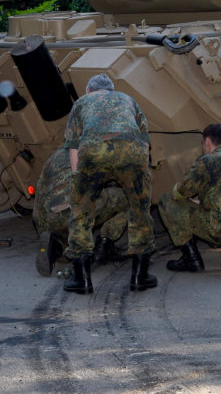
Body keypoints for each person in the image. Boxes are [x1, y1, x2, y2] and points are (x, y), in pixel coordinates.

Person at [63, 73, 155, 294]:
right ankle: (139, 277)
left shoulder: (81, 102)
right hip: (131, 151)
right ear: (112, 91)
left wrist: (79, 181)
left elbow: (73, 144)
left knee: (81, 213)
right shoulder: (128, 100)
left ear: (89, 91)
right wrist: (140, 177)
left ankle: (82, 280)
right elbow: (145, 141)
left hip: (93, 151)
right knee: (139, 210)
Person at [158, 123, 221, 273]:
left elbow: (182, 191)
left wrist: (177, 194)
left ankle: (191, 259)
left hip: (220, 228)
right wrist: (197, 202)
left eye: (203, 144)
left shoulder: (206, 160)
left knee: (166, 201)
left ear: (207, 142)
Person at [33, 147, 129, 276]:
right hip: (78, 214)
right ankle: (105, 242)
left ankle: (56, 244)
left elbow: (39, 199)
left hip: (54, 216)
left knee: (64, 222)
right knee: (131, 197)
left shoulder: (54, 156)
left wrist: (44, 230)